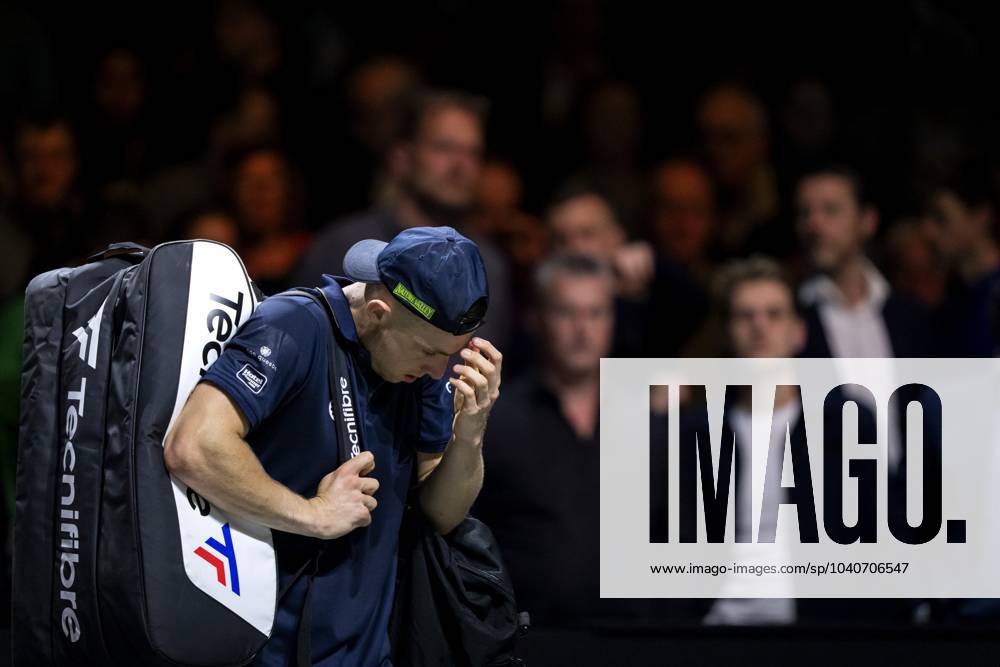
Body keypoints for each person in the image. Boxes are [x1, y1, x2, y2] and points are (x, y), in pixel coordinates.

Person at [164, 226, 502, 665]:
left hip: (370, 653)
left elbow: (440, 514)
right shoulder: (293, 325)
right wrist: (312, 514)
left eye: (449, 354)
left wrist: (470, 433)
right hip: (269, 651)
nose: (439, 372)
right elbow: (193, 446)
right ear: (380, 311)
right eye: (428, 351)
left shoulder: (415, 372)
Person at [293, 89, 512, 352]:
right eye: (445, 148)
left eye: (472, 153)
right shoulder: (345, 245)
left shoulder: (488, 266)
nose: (461, 165)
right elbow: (299, 344)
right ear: (402, 159)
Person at [474, 253, 617, 626]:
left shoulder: (647, 420)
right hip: (528, 639)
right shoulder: (496, 419)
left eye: (596, 313)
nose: (583, 328)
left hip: (634, 639)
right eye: (567, 313)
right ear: (536, 320)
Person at [545, 186, 706, 357]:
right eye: (561, 240)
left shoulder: (657, 284)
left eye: (587, 234)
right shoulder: (542, 304)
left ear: (617, 237)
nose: (575, 249)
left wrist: (646, 280)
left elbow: (696, 308)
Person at [795, 165, 929, 358]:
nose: (813, 224)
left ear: (867, 221)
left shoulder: (911, 315)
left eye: (830, 210)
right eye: (804, 213)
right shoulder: (791, 318)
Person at [923, 159, 1000, 357]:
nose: (929, 231)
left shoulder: (988, 297)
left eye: (942, 218)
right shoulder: (950, 305)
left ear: (981, 216)